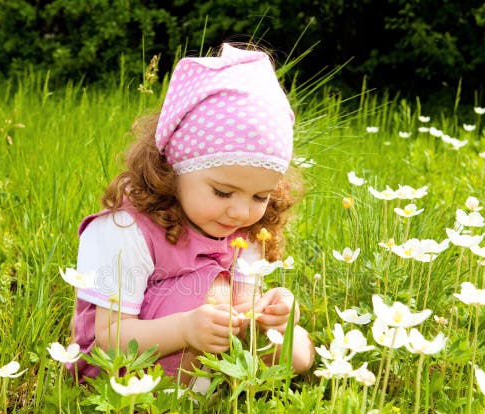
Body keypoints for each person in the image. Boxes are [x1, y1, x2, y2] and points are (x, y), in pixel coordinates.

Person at [68, 43, 314, 384]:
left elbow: (244, 316)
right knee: (212, 293)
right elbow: (108, 339)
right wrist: (184, 329)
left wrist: (271, 315)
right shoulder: (125, 231)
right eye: (223, 192)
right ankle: (188, 394)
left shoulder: (244, 232)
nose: (241, 211)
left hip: (203, 358)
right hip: (121, 375)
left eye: (261, 195)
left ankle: (223, 380)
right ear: (173, 169)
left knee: (296, 351)